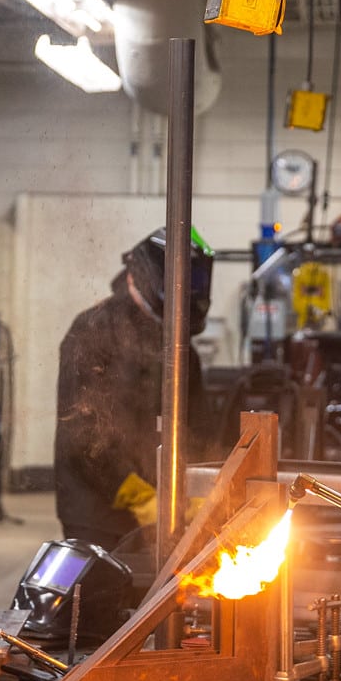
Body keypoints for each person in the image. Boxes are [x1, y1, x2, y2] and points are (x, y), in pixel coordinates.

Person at [54, 227, 214, 550]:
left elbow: (198, 427)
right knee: (102, 597)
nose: (190, 291)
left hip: (162, 515)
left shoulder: (183, 351)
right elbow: (85, 437)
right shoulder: (93, 332)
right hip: (97, 516)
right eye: (184, 281)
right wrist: (139, 496)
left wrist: (202, 489)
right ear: (150, 274)